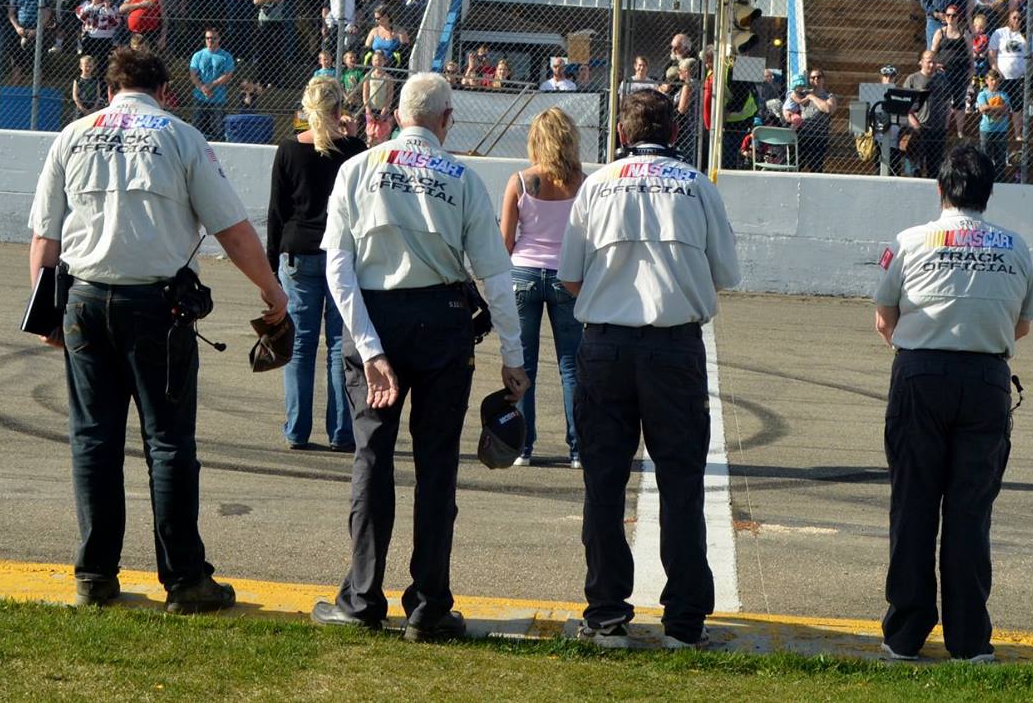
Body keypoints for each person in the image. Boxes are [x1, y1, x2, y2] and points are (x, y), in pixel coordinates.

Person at [25, 46, 289, 612]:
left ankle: (95, 576)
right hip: (157, 307)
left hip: (85, 299)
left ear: (109, 88)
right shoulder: (180, 136)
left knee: (93, 442)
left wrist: (45, 315)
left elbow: (45, 240)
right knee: (168, 445)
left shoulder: (72, 136)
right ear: (166, 91)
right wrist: (271, 290)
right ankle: (186, 580)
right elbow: (233, 230)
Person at [312, 72, 528, 643]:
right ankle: (429, 606)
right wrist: (514, 354)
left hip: (374, 316)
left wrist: (370, 347)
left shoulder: (357, 169)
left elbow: (338, 268)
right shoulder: (461, 177)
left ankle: (362, 599)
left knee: (371, 458)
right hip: (442, 325)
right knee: (437, 468)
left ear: (396, 115)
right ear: (445, 120)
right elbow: (496, 275)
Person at [559, 88, 741, 650]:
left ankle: (607, 614)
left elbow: (569, 275)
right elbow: (725, 273)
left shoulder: (597, 185)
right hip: (674, 348)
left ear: (620, 134)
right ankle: (684, 621)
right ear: (676, 133)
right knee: (682, 487)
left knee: (603, 486)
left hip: (606, 348)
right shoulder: (697, 187)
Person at [871, 145, 1033, 664]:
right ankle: (969, 640)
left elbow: (884, 317)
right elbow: (1023, 323)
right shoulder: (1015, 247)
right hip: (986, 379)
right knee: (970, 514)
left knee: (913, 508)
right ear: (988, 194)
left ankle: (905, 633)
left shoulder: (911, 240)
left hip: (921, 375)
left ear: (940, 189)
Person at [267, 76, 365, 453]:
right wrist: (355, 137)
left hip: (298, 251)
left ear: (306, 110)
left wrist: (271, 264)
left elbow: (278, 212)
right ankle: (341, 431)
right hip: (340, 253)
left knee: (301, 346)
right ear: (340, 110)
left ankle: (297, 428)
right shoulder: (354, 150)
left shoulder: (289, 150)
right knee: (341, 345)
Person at [499, 107, 586, 468]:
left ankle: (522, 447)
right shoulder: (583, 182)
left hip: (523, 273)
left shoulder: (520, 181)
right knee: (571, 366)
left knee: (524, 364)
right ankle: (578, 449)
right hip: (565, 275)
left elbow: (505, 242)